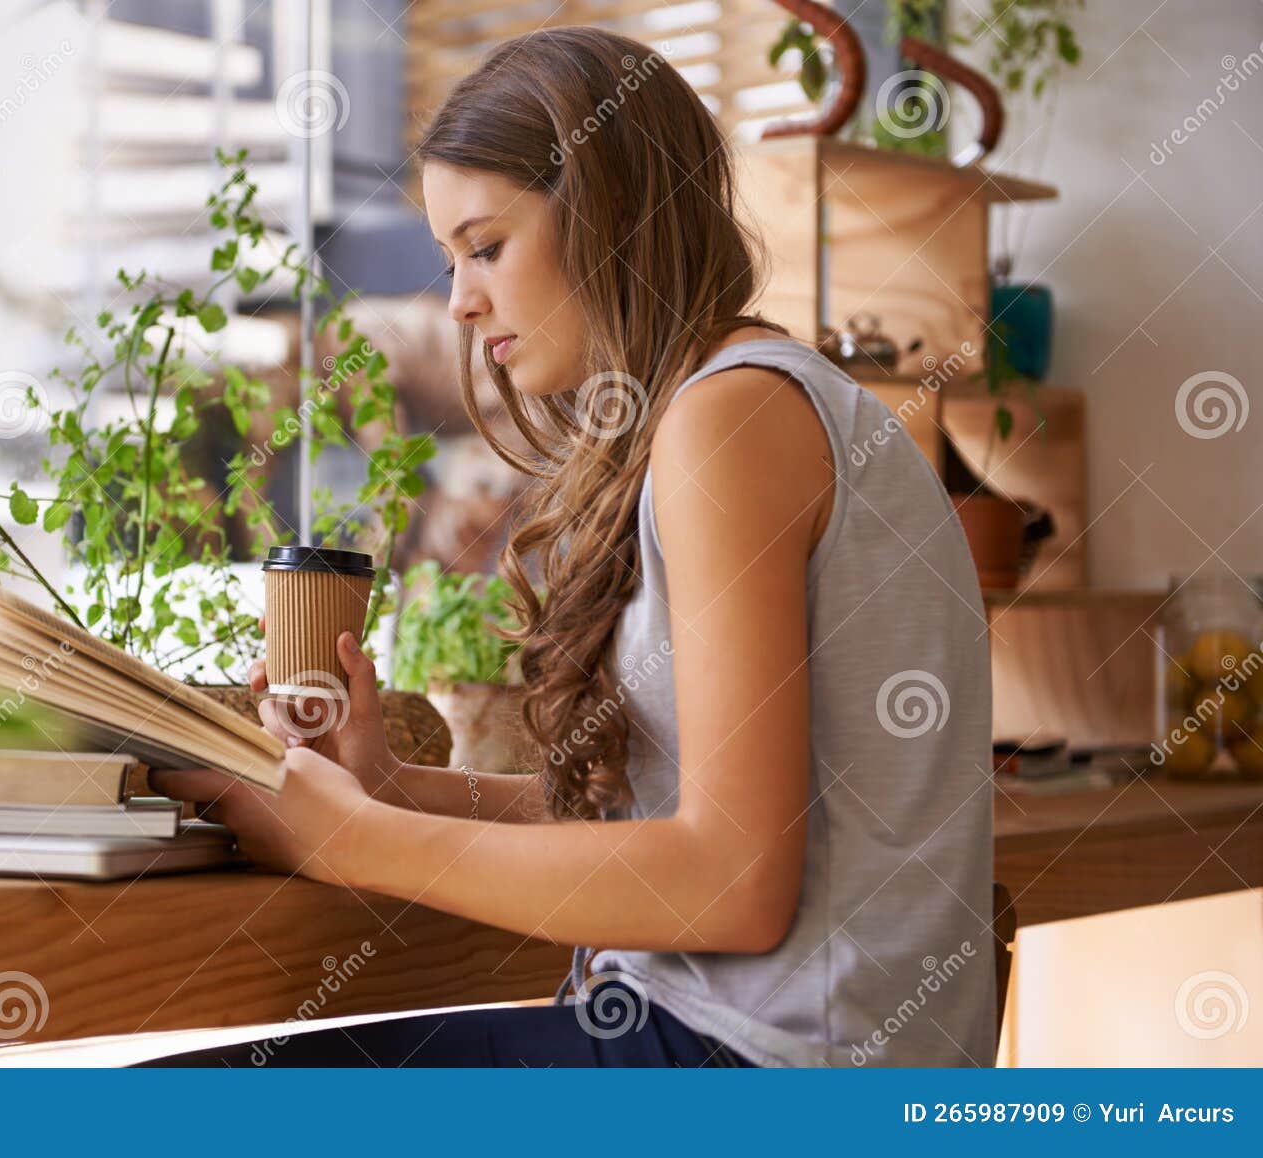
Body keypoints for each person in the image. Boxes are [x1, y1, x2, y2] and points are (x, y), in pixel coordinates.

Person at [136, 25, 994, 1068]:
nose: (458, 299)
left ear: (614, 218)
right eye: (450, 259)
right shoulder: (741, 400)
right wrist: (395, 787)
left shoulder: (732, 421)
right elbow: (672, 820)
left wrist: (353, 839)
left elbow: (729, 882)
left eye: (487, 246)